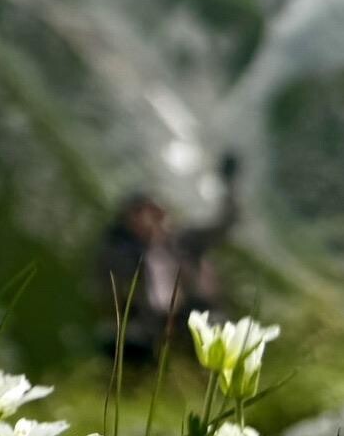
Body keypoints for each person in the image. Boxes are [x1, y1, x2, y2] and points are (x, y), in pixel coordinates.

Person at [98, 153, 241, 361]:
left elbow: (224, 223)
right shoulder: (120, 251)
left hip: (192, 316)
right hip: (148, 324)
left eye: (153, 212)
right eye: (140, 212)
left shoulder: (183, 241)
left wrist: (228, 187)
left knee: (217, 329)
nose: (149, 219)